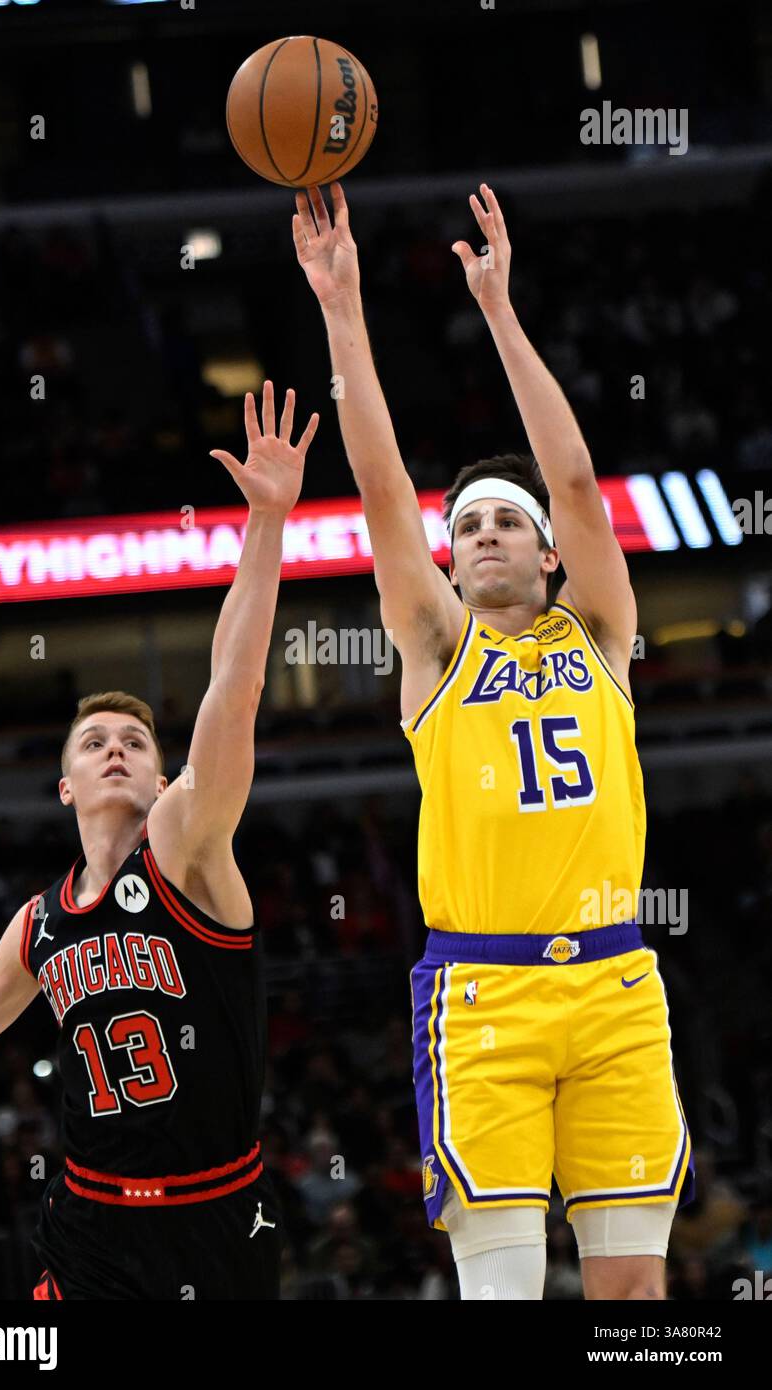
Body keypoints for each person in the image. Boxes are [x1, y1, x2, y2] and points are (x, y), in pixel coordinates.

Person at [293, 181, 694, 1301]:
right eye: (463, 525)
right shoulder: (433, 645)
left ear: (548, 554)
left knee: (631, 1306)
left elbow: (569, 477)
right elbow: (380, 490)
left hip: (616, 986)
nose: (480, 535)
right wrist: (341, 307)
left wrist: (498, 310)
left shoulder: (601, 630)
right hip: (483, 996)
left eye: (501, 522)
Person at [0, 383, 319, 1300]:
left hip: (213, 1219)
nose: (117, 751)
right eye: (94, 744)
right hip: (88, 1227)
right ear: (66, 787)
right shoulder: (38, 926)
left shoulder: (189, 851)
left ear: (164, 781)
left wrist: (266, 526)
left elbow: (234, 690)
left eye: (136, 742)